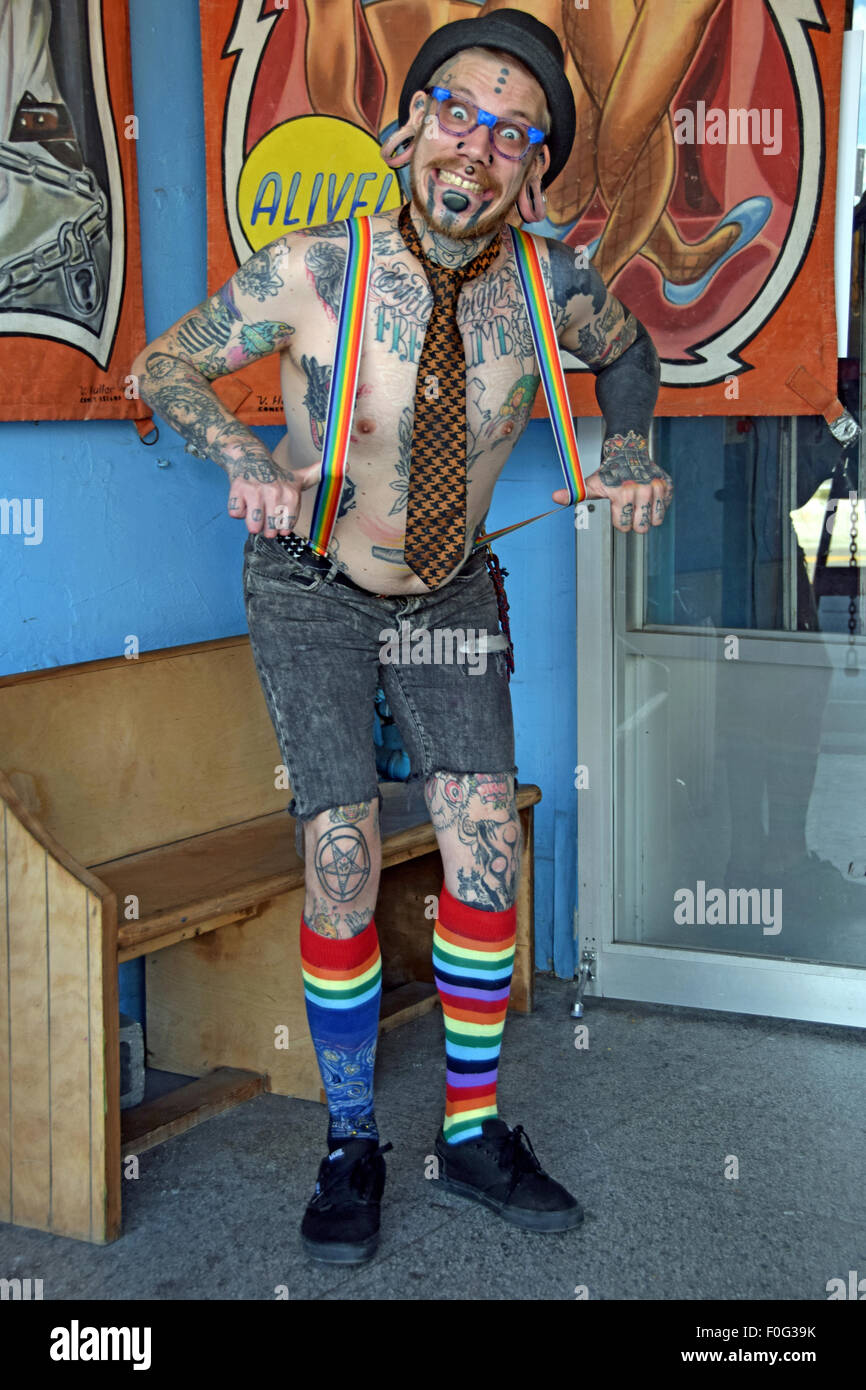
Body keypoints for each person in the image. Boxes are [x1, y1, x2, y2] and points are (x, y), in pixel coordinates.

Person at [132, 8, 671, 1265]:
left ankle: (473, 1131)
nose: (476, 146)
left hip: (446, 591)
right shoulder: (313, 268)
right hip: (311, 585)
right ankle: (351, 1142)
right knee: (341, 850)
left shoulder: (552, 288)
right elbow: (167, 366)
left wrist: (631, 448)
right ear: (408, 124)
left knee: (483, 846)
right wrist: (238, 454)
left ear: (533, 168)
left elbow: (634, 361)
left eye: (512, 132)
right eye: (458, 112)